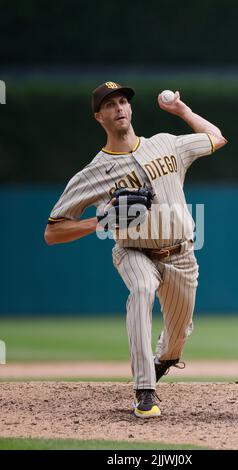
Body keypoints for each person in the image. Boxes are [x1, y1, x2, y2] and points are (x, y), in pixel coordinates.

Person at [44, 81, 227, 418]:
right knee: (142, 289)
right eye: (110, 105)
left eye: (123, 102)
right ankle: (145, 389)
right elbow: (53, 232)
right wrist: (98, 222)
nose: (119, 108)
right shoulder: (94, 172)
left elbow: (216, 137)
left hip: (181, 257)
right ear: (99, 117)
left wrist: (182, 111)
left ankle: (165, 360)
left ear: (130, 109)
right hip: (133, 251)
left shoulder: (166, 144)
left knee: (177, 336)